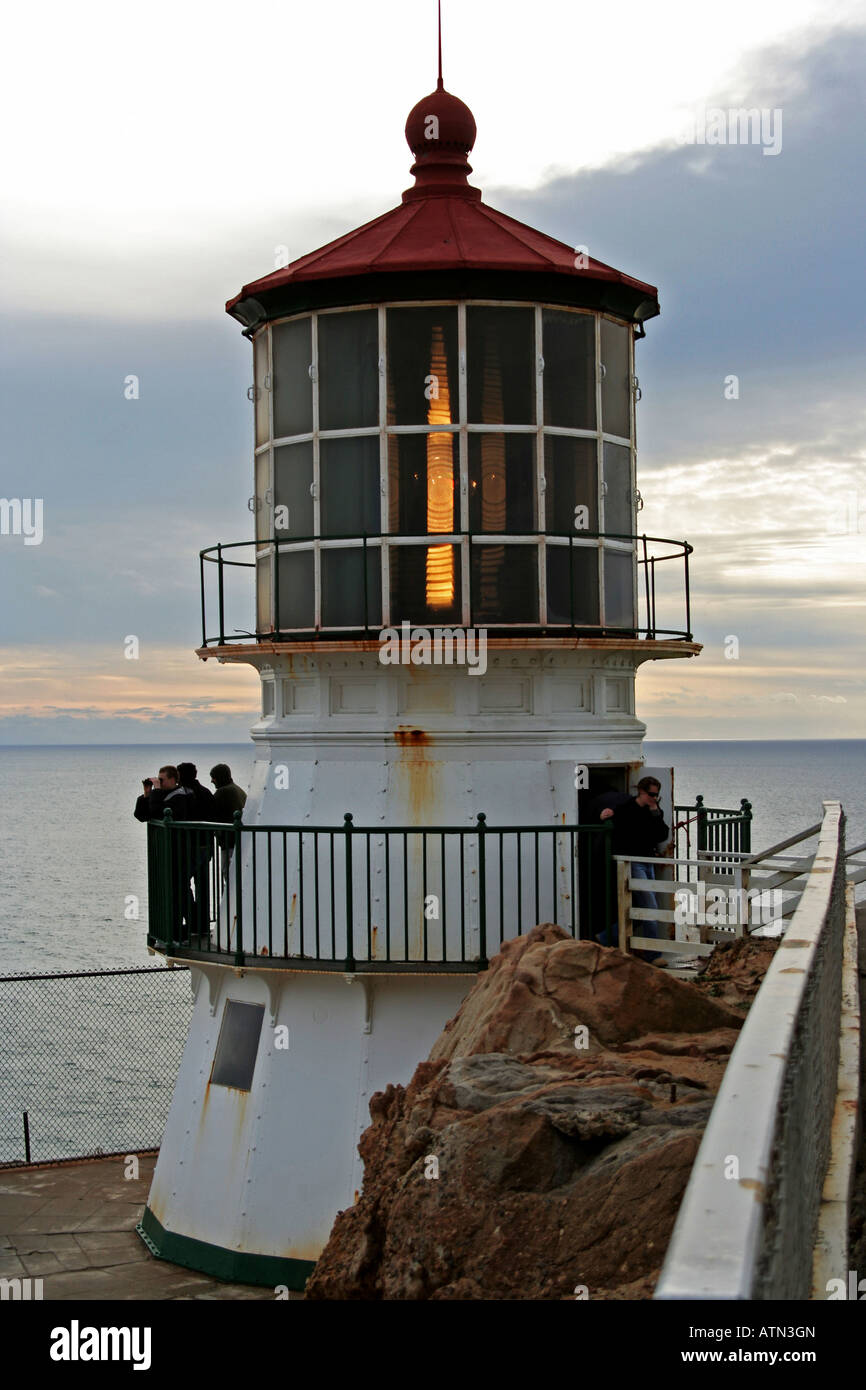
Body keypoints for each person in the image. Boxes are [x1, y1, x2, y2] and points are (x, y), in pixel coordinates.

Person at [599, 776, 669, 962]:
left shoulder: (653, 811)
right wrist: (605, 813)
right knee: (650, 907)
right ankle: (653, 955)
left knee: (642, 908)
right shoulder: (627, 809)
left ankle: (606, 937)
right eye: (652, 794)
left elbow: (662, 834)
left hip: (648, 862)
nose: (655, 798)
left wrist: (655, 812)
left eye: (657, 795)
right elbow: (613, 817)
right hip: (633, 863)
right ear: (642, 792)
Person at [133, 766, 195, 938]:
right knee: (174, 889)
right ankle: (182, 925)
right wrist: (147, 794)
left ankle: (189, 925)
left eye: (163, 780)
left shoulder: (181, 795)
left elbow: (156, 811)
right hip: (168, 851)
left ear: (174, 779)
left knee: (180, 888)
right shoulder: (162, 796)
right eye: (158, 779)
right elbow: (141, 815)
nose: (159, 783)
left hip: (179, 850)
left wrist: (156, 793)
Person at [177, 763, 217, 936]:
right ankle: (202, 924)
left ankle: (194, 922)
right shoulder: (206, 792)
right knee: (202, 886)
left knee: (181, 884)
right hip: (206, 844)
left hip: (191, 845)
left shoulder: (186, 794)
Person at [210, 764, 247, 887]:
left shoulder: (223, 792)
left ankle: (232, 901)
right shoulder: (237, 789)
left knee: (229, 874)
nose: (212, 781)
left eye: (213, 777)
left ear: (219, 777)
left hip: (229, 841)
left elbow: (210, 811)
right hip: (240, 839)